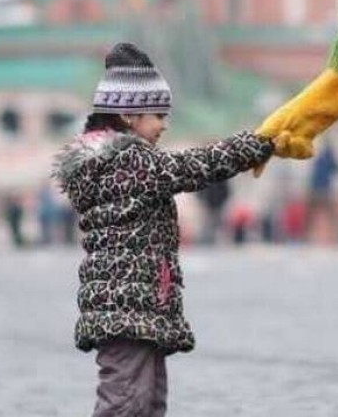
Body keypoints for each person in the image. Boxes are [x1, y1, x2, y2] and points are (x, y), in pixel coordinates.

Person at [52, 43, 273, 416]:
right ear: (128, 116)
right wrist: (254, 145)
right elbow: (192, 167)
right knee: (126, 402)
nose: (164, 124)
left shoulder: (106, 160)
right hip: (127, 305)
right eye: (158, 114)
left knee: (148, 400)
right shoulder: (129, 158)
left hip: (132, 303)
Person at [305, 142, 338, 243]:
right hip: (324, 191)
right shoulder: (328, 158)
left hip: (315, 190)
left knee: (311, 216)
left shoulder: (318, 160)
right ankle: (335, 237)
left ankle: (308, 236)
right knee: (332, 215)